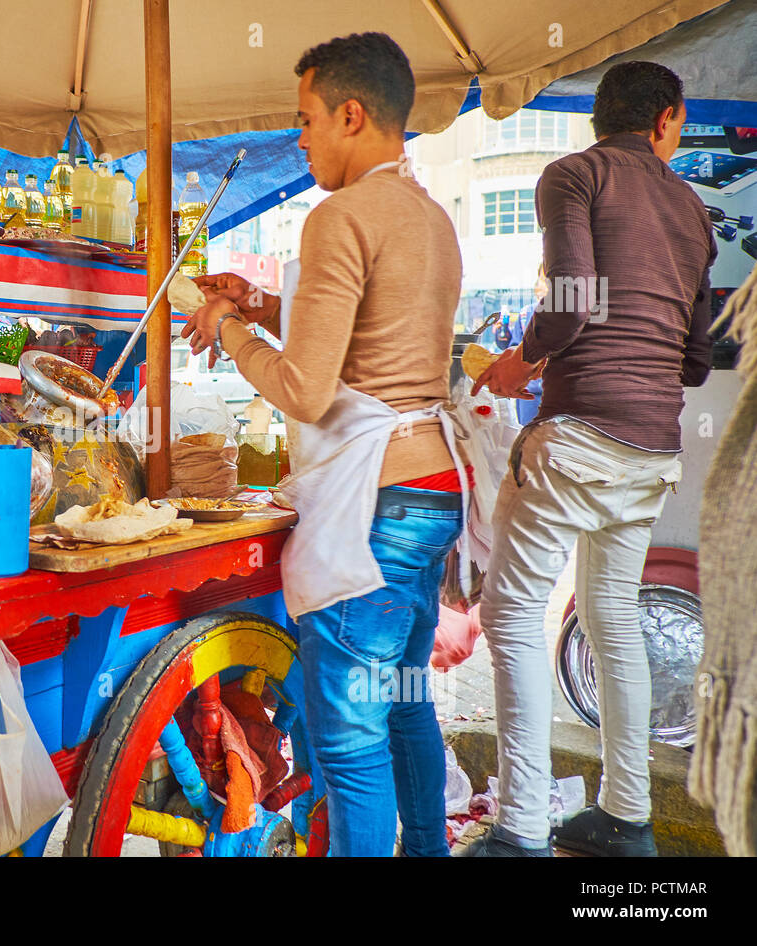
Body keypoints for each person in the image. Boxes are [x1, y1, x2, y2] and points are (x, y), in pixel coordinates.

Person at [184, 32, 465, 857]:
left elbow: (305, 388)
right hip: (434, 489)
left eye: (306, 120)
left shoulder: (340, 215)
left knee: (348, 741)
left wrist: (226, 326)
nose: (298, 139)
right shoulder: (429, 217)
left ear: (351, 114)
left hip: (376, 505)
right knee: (406, 703)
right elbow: (378, 333)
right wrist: (266, 306)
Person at [463, 61, 716, 857]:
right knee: (611, 620)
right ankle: (625, 818)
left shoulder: (575, 173)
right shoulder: (692, 209)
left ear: (600, 120)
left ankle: (520, 827)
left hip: (581, 438)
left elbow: (570, 298)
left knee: (510, 615)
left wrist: (520, 363)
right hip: (653, 451)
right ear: (667, 122)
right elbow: (698, 361)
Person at [492, 264, 548, 425]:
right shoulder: (526, 313)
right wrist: (501, 338)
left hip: (560, 392)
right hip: (530, 394)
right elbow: (515, 349)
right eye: (542, 280)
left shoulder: (572, 314)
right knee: (530, 438)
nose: (542, 285)